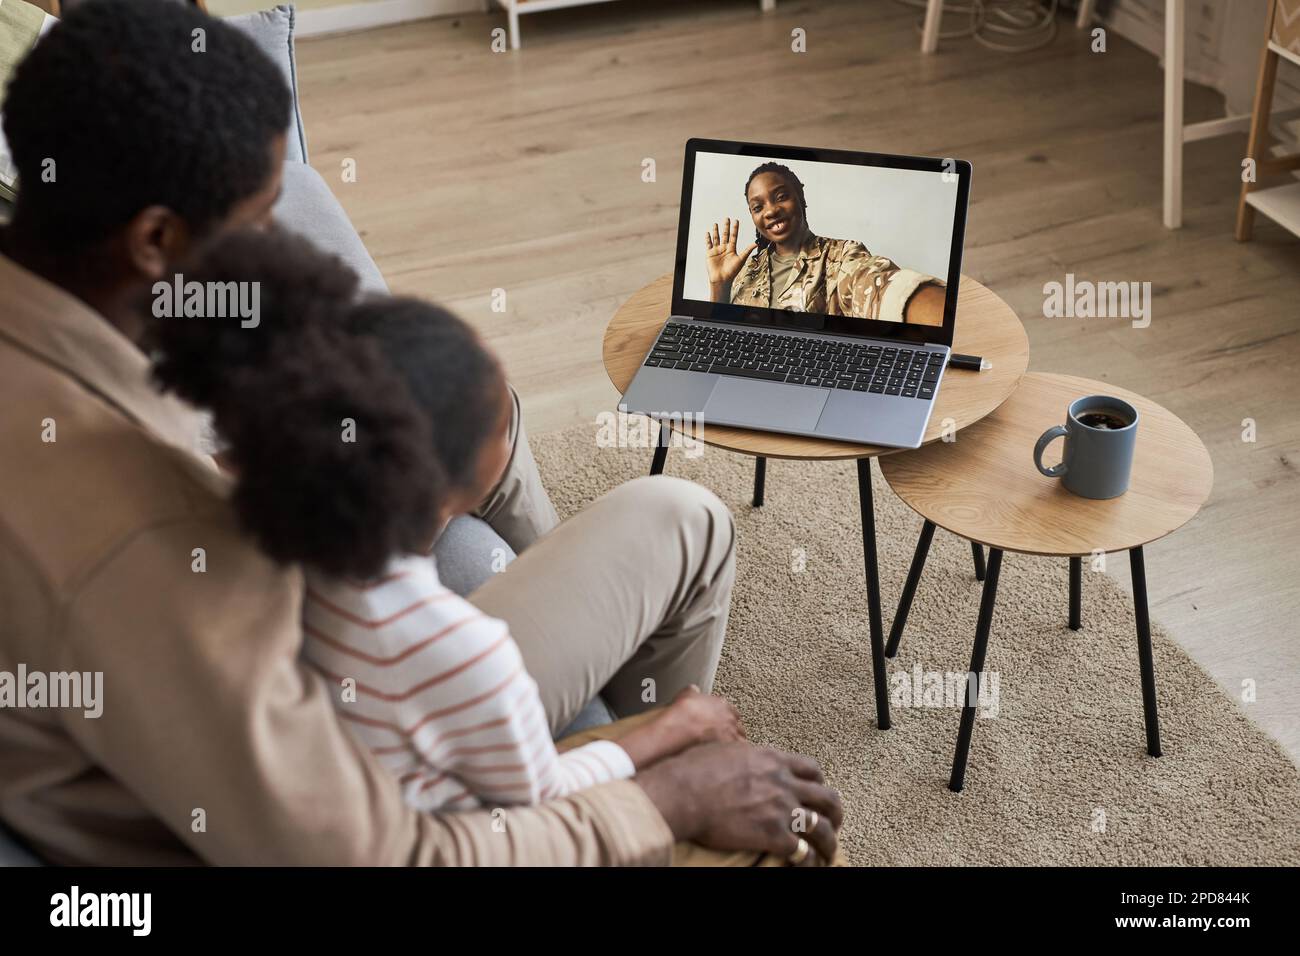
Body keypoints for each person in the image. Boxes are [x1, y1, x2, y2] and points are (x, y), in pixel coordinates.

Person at [0, 0, 842, 865]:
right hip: (354, 754)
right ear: (156, 240)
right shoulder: (137, 548)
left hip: (326, 675)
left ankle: (623, 718)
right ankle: (659, 760)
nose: (270, 251)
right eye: (255, 224)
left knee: (616, 483)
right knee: (697, 567)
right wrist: (658, 799)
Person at [148, 227, 747, 812]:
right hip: (444, 787)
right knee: (691, 517)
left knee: (477, 403)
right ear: (444, 504)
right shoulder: (463, 661)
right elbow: (541, 808)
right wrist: (663, 736)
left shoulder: (178, 498)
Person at [704, 162, 947, 325]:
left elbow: (876, 285)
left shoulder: (841, 256)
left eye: (781, 197)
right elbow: (720, 333)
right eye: (758, 207)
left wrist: (940, 315)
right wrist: (720, 285)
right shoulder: (748, 269)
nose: (771, 211)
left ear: (800, 197)